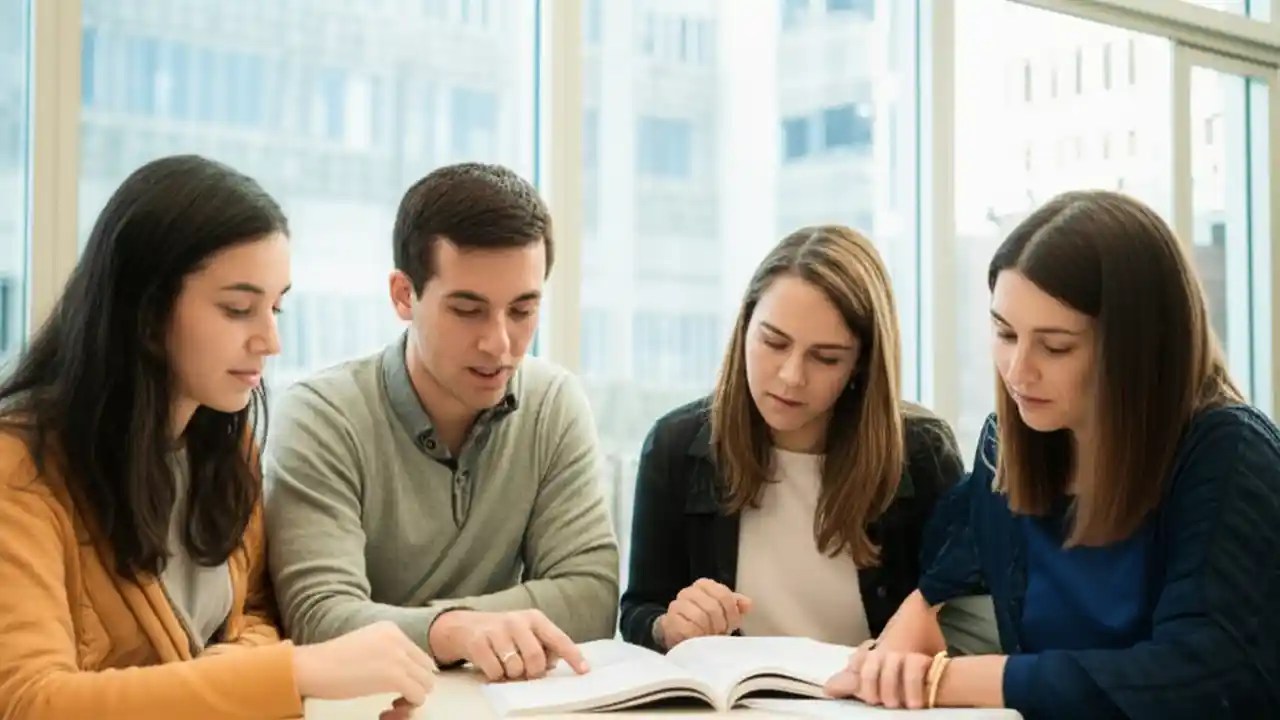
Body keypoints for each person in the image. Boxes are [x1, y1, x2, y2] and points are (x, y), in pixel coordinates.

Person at [0, 155, 436, 720]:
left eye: (276, 306)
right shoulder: (20, 466)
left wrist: (247, 675)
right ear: (148, 312)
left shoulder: (225, 447)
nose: (270, 340)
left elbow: (254, 615)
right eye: (238, 309)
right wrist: (293, 671)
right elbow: (31, 701)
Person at [826, 190, 1280, 718]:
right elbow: (956, 553)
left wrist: (947, 681)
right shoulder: (1010, 443)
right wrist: (916, 613)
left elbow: (1203, 677)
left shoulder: (1229, 453)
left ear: (1136, 348)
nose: (1018, 371)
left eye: (1056, 346)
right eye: (1004, 333)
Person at [266, 162, 619, 683]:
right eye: (468, 310)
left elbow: (591, 597)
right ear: (403, 296)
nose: (499, 344)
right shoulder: (322, 416)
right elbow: (320, 619)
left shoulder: (553, 405)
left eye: (522, 311)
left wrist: (409, 622)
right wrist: (453, 630)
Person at [620, 225, 990, 653]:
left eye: (826, 357)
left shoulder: (921, 454)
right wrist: (670, 626)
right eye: (774, 342)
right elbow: (638, 612)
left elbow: (968, 616)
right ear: (744, 328)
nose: (791, 376)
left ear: (861, 366)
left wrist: (908, 654)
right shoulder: (675, 446)